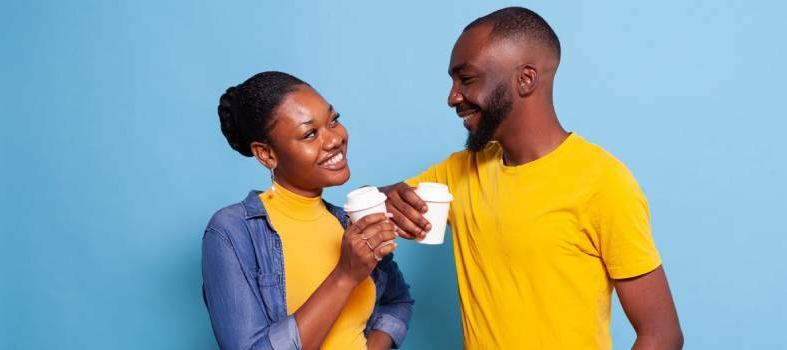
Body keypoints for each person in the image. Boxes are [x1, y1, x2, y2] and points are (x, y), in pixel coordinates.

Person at [383, 7, 683, 349]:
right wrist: (385, 194)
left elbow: (661, 335)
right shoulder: (459, 172)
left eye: (466, 79)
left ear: (525, 79)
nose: (453, 97)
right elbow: (362, 210)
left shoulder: (603, 182)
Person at [202, 71, 413, 350]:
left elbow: (396, 301)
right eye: (310, 134)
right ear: (266, 154)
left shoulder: (348, 222)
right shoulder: (232, 232)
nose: (334, 139)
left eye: (333, 120)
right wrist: (345, 275)